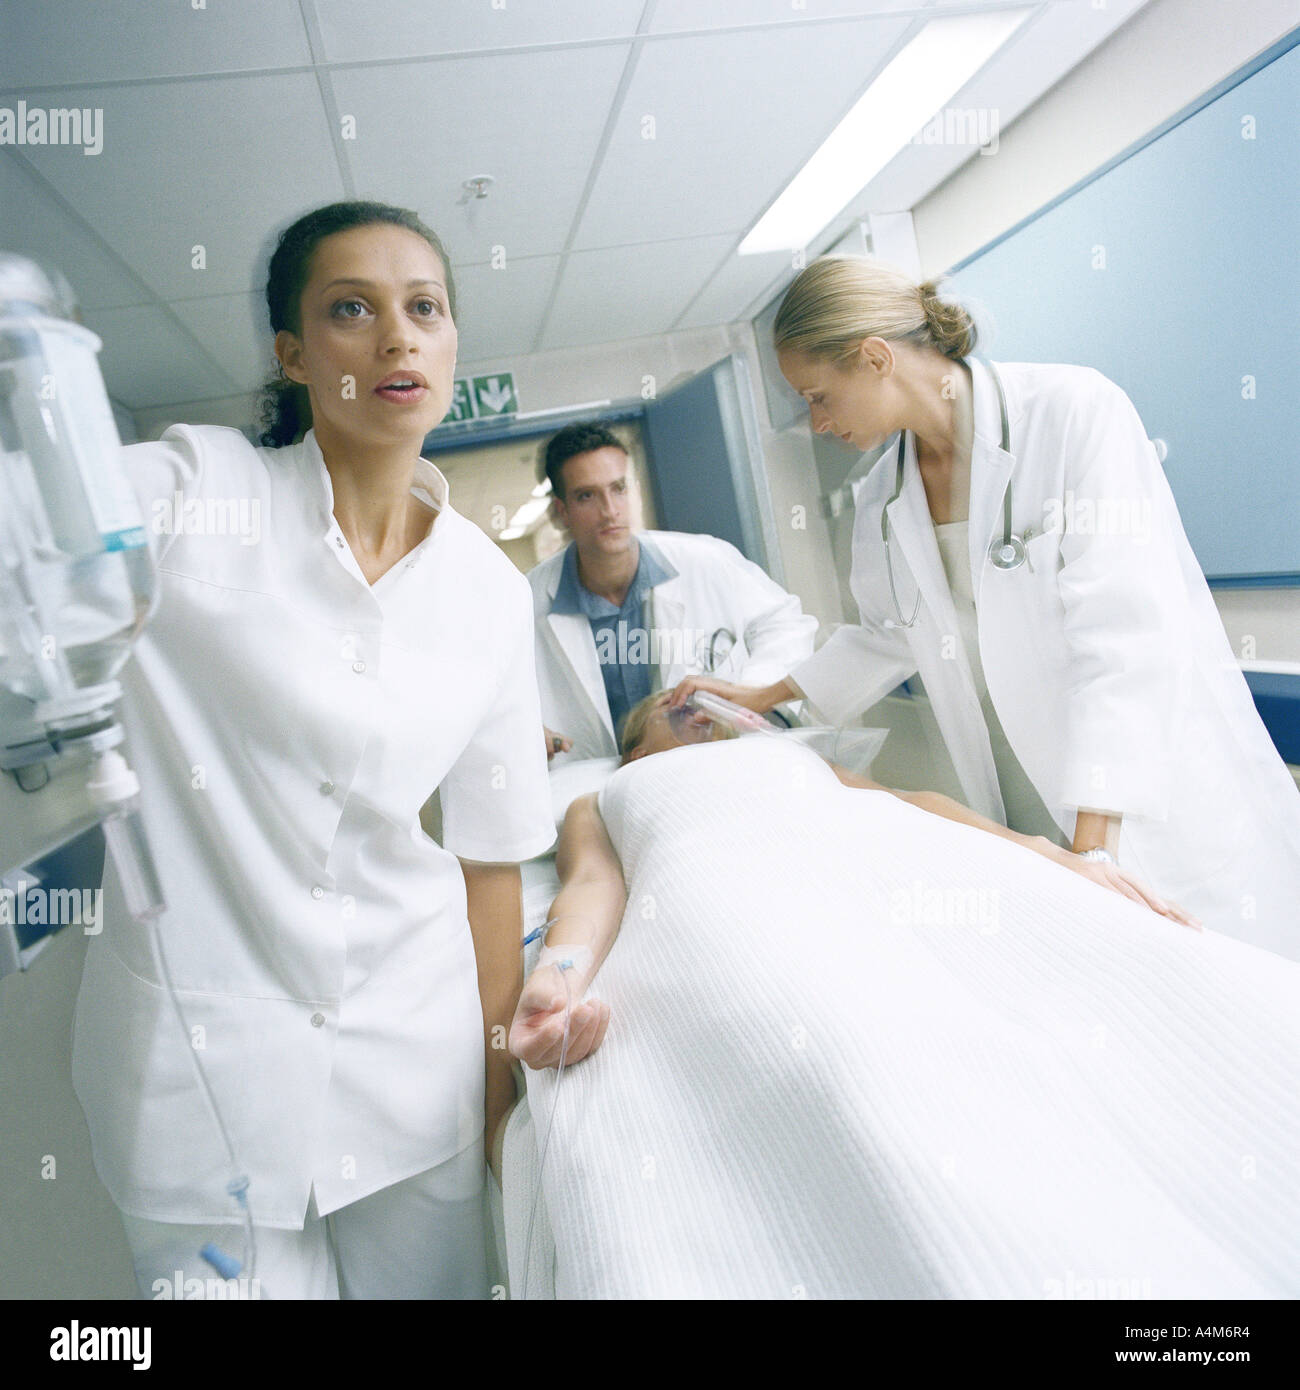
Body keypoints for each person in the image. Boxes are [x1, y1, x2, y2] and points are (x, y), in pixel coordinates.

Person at [71, 201, 555, 1300]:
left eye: (423, 308)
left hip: (413, 1070)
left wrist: (492, 1099)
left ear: (450, 342)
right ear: (292, 355)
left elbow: (491, 861)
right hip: (197, 1093)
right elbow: (40, 518)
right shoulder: (197, 495)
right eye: (352, 309)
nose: (397, 338)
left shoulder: (487, 590)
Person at [505, 695, 1299, 1299]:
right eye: (673, 709)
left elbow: (919, 806)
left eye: (706, 704)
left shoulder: (797, 758)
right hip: (734, 893)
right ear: (635, 744)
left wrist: (1054, 856)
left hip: (894, 866)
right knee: (853, 1044)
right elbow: (590, 886)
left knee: (1121, 967)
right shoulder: (609, 795)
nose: (696, 710)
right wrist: (560, 978)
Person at [669, 256, 1300, 957]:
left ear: (874, 357)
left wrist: (1093, 853)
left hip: (1139, 801)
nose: (817, 422)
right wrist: (764, 692)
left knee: (1237, 996)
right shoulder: (882, 493)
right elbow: (885, 633)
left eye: (819, 396)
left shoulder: (1072, 414)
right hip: (1026, 806)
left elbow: (1126, 641)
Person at [528, 423, 817, 762]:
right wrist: (523, 731)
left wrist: (754, 692)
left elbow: (786, 625)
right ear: (562, 511)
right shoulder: (524, 601)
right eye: (586, 496)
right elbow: (488, 693)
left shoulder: (704, 560)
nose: (610, 510)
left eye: (619, 488)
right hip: (591, 781)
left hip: (712, 769)